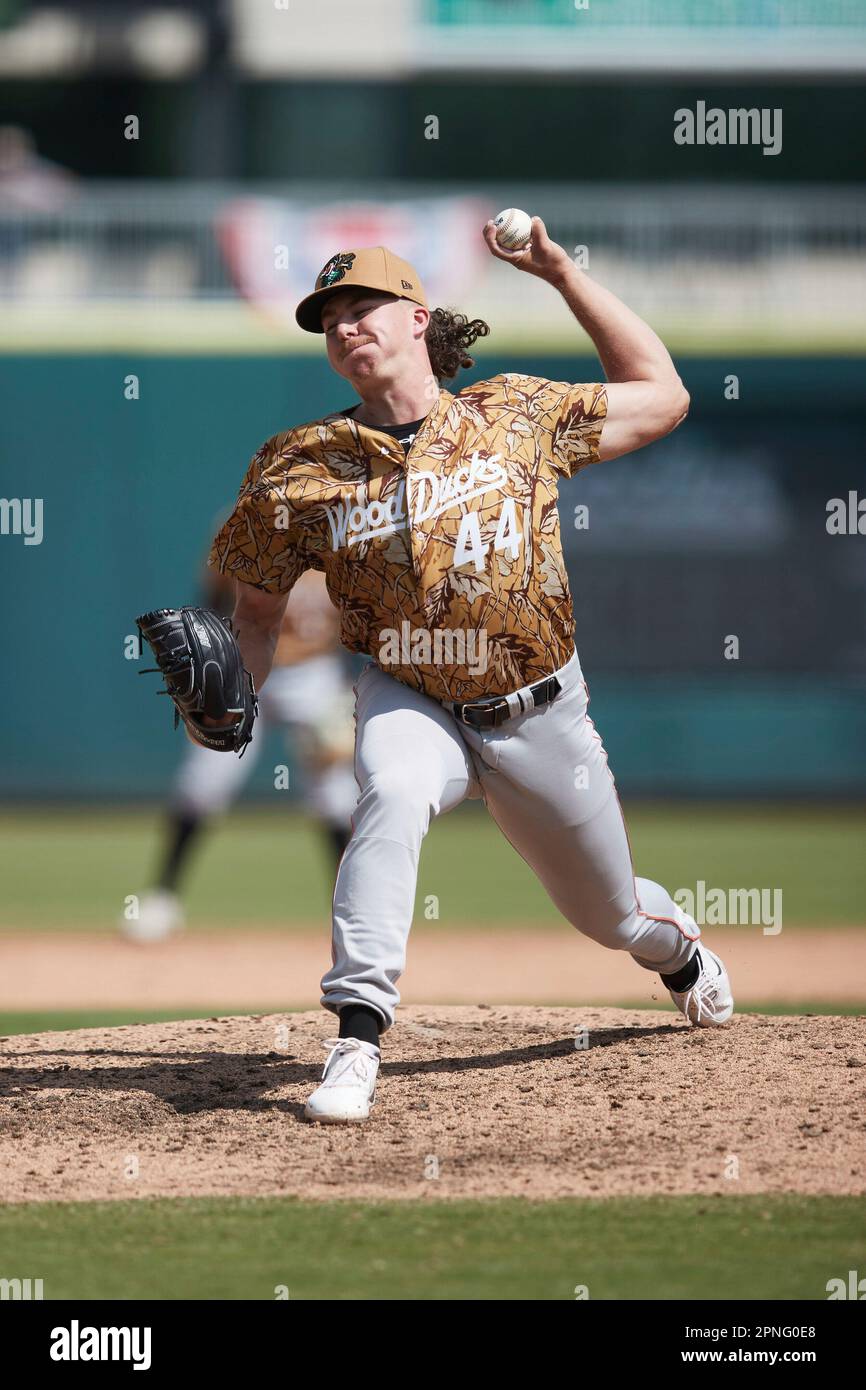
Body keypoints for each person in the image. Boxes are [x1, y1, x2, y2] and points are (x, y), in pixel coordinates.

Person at [207, 224, 734, 1124]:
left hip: (540, 713)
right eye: (328, 316)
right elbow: (252, 619)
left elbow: (666, 396)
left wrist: (561, 271)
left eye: (361, 306)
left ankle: (677, 956)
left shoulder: (515, 415)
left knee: (611, 917)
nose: (344, 326)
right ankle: (357, 1037)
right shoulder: (296, 467)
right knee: (393, 789)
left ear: (418, 318)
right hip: (407, 689)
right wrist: (228, 698)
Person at [123, 568, 356, 942]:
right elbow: (211, 601)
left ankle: (353, 909)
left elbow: (359, 615)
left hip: (316, 673)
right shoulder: (238, 529)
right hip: (245, 663)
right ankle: (162, 897)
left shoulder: (331, 531)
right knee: (204, 781)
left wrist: (348, 680)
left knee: (335, 796)